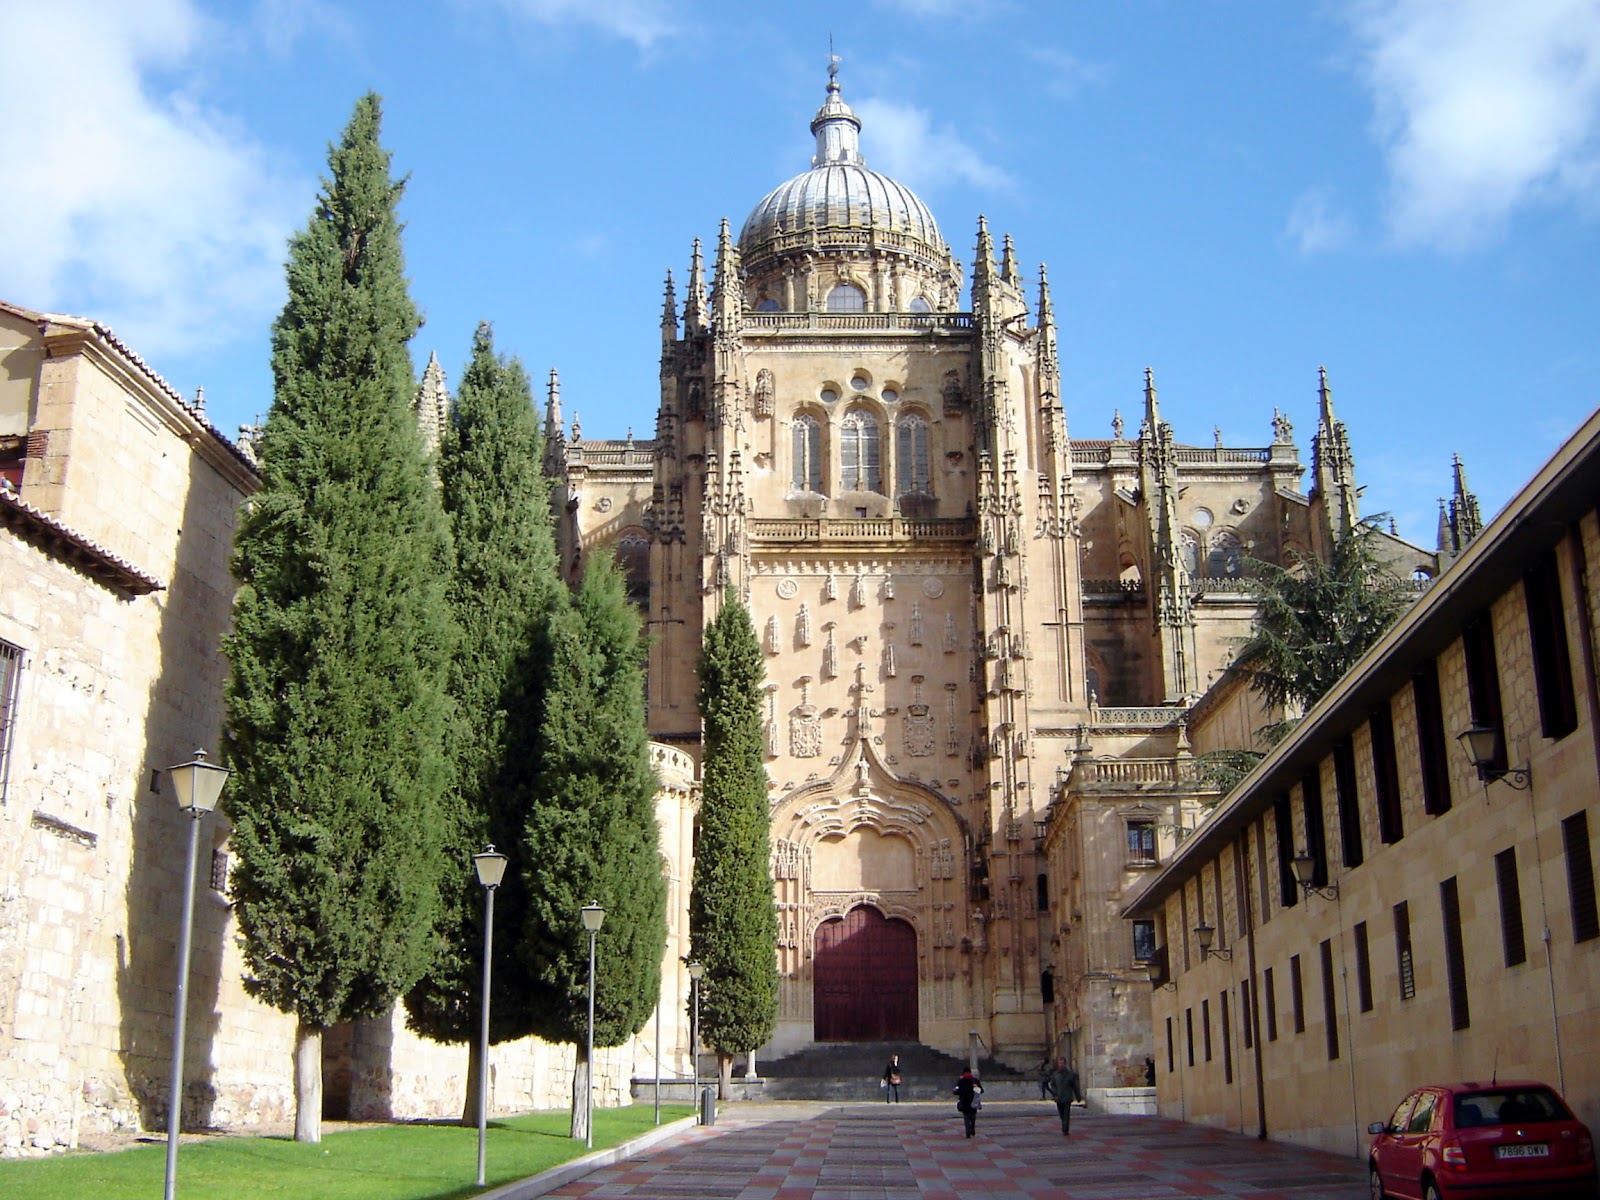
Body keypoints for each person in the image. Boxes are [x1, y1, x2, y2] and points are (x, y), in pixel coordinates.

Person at [1045, 1057, 1083, 1136]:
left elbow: (1074, 1086)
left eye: (1062, 1063)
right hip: (1058, 1098)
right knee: (1061, 1114)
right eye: (1060, 1063)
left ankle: (1065, 1129)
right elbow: (1052, 1084)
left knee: (1066, 1114)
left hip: (1067, 1098)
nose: (1061, 1065)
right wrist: (1054, 1093)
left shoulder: (1070, 1075)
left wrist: (1078, 1096)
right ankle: (1064, 1123)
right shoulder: (1055, 1074)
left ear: (1065, 1064)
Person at [953, 1067, 983, 1137]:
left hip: (964, 1102)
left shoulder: (961, 1081)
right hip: (973, 1102)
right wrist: (975, 1089)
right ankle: (972, 1128)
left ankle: (967, 1132)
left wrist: (958, 1092)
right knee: (973, 1117)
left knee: (966, 1117)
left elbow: (957, 1091)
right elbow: (981, 1091)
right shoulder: (975, 1081)